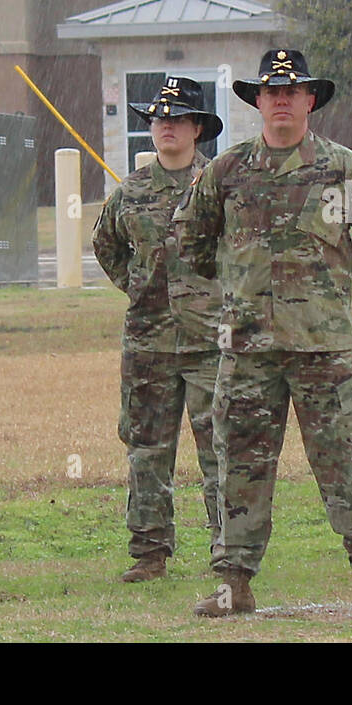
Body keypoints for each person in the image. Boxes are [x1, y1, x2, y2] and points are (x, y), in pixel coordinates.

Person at [175, 48, 352, 616]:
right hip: (247, 347)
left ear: (310, 101)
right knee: (241, 465)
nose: (281, 99)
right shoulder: (226, 171)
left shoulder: (343, 168)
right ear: (257, 101)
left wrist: (324, 275)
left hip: (322, 346)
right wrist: (239, 279)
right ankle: (235, 582)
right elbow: (192, 241)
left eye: (292, 91)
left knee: (344, 459)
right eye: (270, 91)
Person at [92, 78, 225, 582]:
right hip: (149, 343)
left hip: (210, 340)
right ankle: (150, 551)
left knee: (220, 446)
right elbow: (107, 246)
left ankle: (227, 546)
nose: (166, 126)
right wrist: (139, 287)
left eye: (177, 119)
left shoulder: (218, 184)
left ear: (196, 129)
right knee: (147, 448)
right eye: (158, 119)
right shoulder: (132, 191)